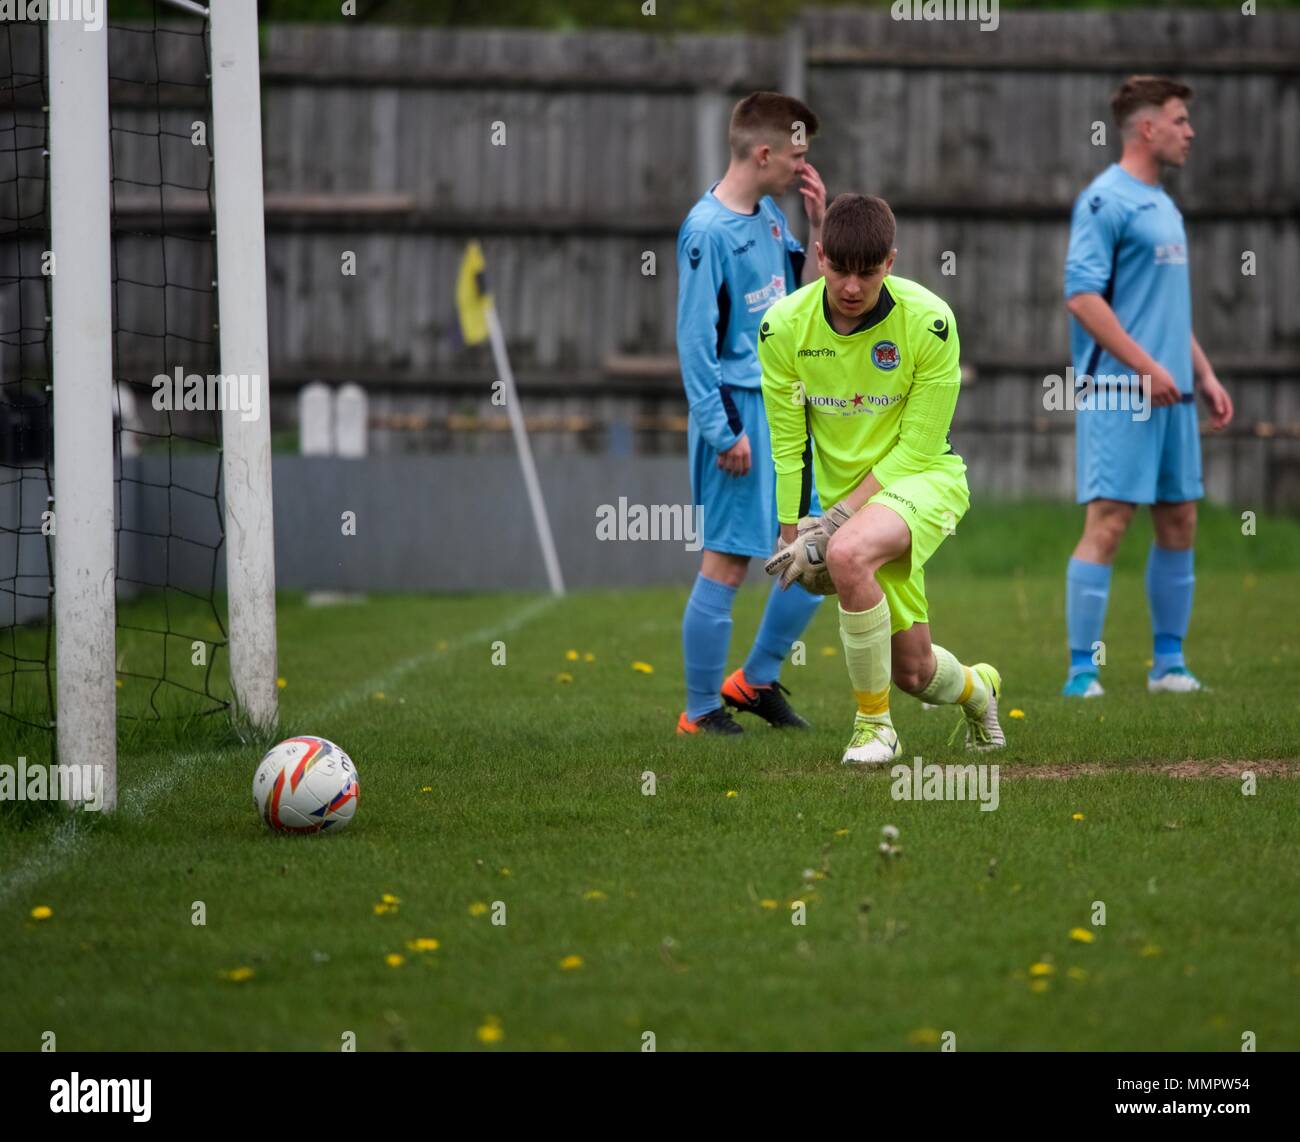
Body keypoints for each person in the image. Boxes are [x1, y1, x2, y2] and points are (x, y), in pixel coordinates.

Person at [760, 193, 1003, 764]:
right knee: (915, 673)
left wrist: (839, 521)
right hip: (854, 506)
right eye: (840, 269)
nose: (851, 286)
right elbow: (789, 444)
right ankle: (980, 689)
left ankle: (875, 731)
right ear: (820, 256)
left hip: (926, 481)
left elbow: (918, 448)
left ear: (890, 263)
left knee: (846, 555)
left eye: (867, 273)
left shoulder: (931, 323)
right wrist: (792, 534)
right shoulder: (781, 329)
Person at [1062, 76, 1233, 698]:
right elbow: (1081, 297)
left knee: (1180, 519)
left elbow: (1164, 312)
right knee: (1109, 521)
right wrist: (1144, 369)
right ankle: (1082, 673)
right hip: (1120, 393)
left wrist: (1203, 373)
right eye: (1180, 120)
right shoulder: (1105, 201)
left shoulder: (1164, 204)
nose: (1190, 132)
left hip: (1174, 394)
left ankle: (1168, 666)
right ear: (1146, 128)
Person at [675, 91, 829, 735]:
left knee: (818, 547)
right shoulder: (705, 232)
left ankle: (756, 681)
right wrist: (721, 429)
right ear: (764, 152)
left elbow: (804, 299)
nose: (804, 166)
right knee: (730, 560)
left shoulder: (770, 214)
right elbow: (692, 341)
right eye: (798, 155)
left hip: (787, 407)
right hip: (737, 414)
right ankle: (700, 710)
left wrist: (818, 224)